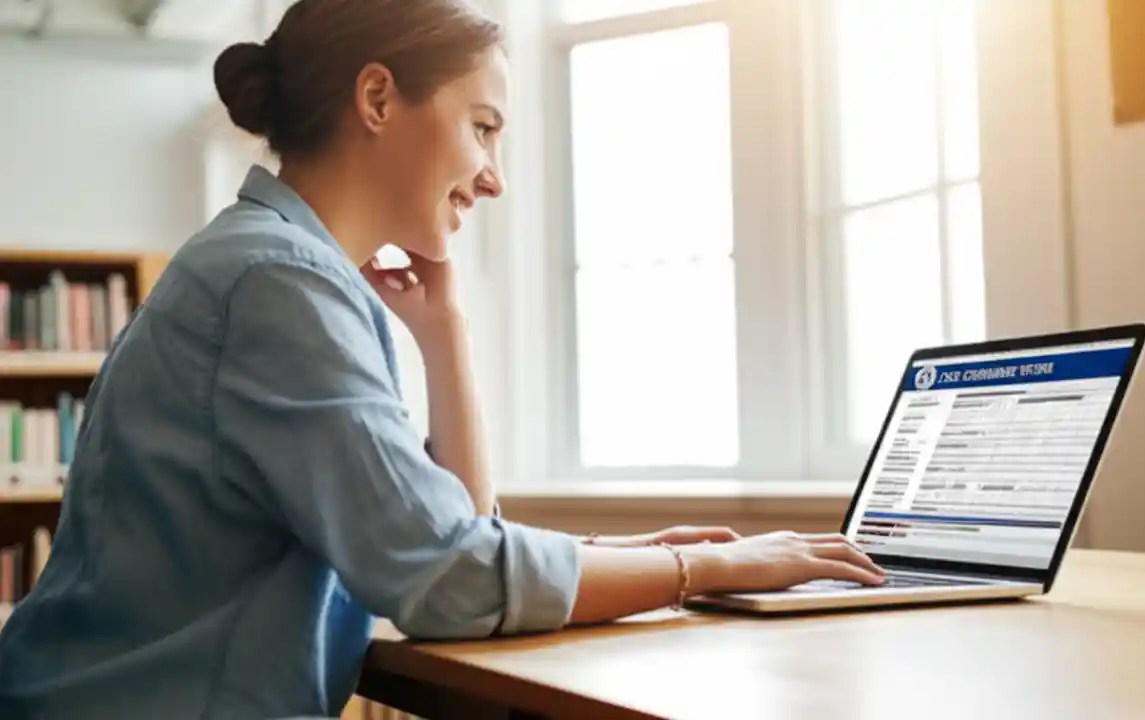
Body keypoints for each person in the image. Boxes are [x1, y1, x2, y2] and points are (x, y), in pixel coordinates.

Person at [0, 1, 883, 717]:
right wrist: (707, 569)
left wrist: (445, 334)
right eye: (483, 126)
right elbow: (451, 580)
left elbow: (446, 539)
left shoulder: (281, 266)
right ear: (378, 99)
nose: (494, 174)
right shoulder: (277, 282)